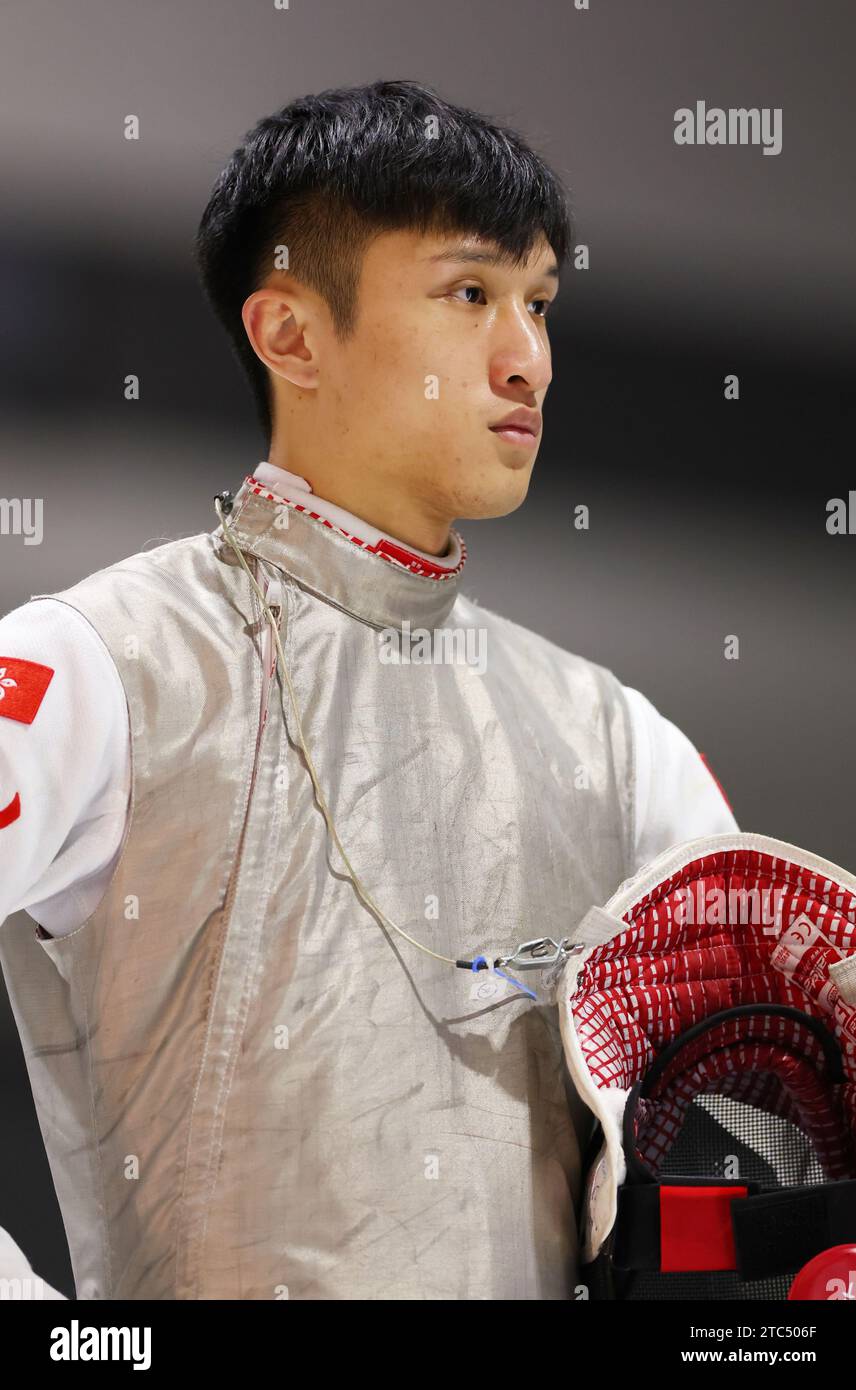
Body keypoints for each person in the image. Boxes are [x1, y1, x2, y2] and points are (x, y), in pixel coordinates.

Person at [0, 78, 737, 1300]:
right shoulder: (103, 664)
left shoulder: (615, 742)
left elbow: (773, 1115)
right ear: (292, 334)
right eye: (469, 294)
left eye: (538, 302)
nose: (528, 358)